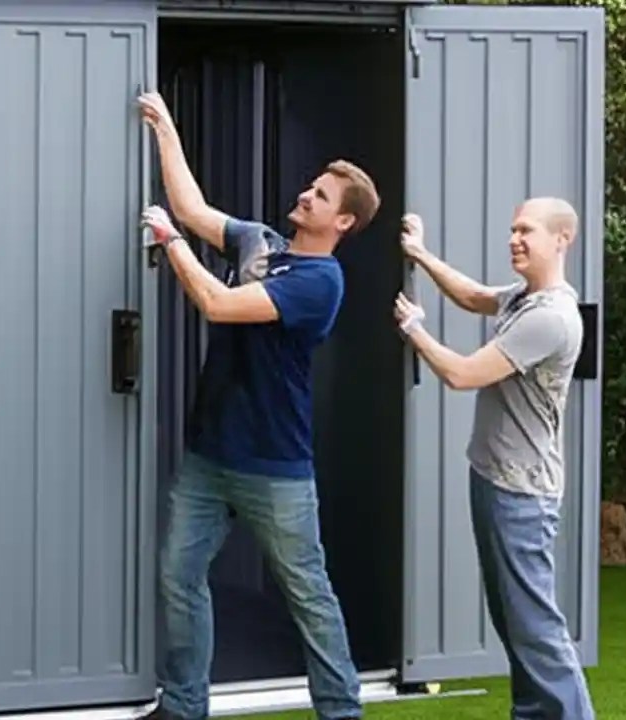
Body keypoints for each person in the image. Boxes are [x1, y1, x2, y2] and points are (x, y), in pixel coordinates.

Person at [135, 91, 379, 720]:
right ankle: (184, 704)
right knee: (178, 577)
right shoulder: (261, 243)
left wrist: (170, 243)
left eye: (321, 196)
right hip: (210, 456)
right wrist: (165, 126)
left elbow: (217, 303)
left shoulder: (319, 283)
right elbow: (190, 207)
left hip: (275, 469)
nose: (306, 195)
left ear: (343, 222)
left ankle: (341, 710)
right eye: (312, 186)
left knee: (308, 595)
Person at [394, 199, 597, 720]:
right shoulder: (525, 299)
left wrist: (414, 328)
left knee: (537, 630)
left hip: (521, 493)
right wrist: (421, 254)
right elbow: (473, 295)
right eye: (512, 229)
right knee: (515, 624)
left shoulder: (550, 318)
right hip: (494, 478)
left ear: (561, 239)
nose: (514, 239)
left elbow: (462, 374)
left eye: (526, 230)